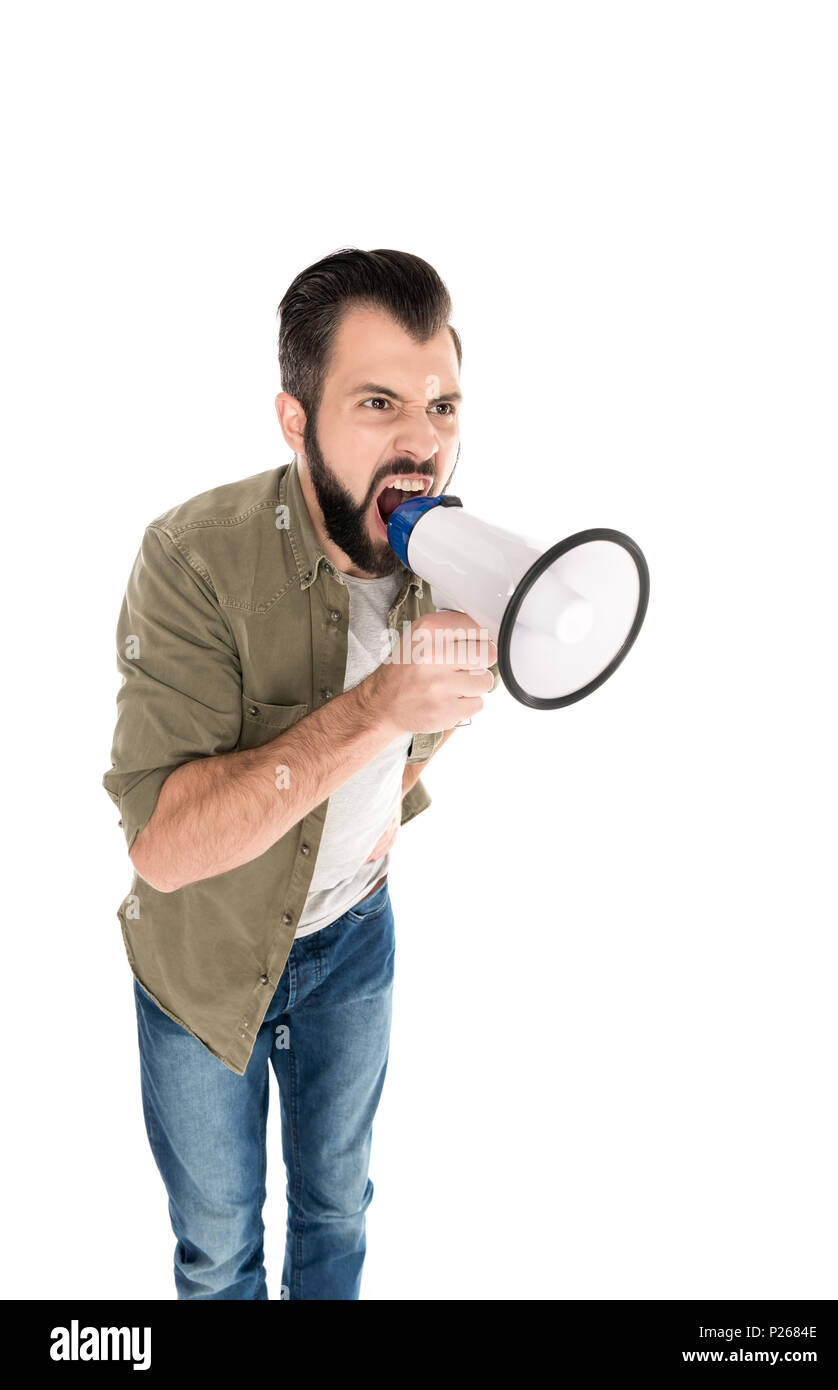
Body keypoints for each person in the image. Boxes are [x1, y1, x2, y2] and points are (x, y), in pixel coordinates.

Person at [102, 247, 499, 1300]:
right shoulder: (190, 558)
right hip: (206, 957)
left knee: (337, 1207)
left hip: (354, 938)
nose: (422, 443)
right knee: (218, 1242)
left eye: (444, 406)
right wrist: (378, 708)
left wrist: (401, 775)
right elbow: (165, 847)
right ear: (296, 419)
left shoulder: (448, 552)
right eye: (378, 402)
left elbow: (427, 716)